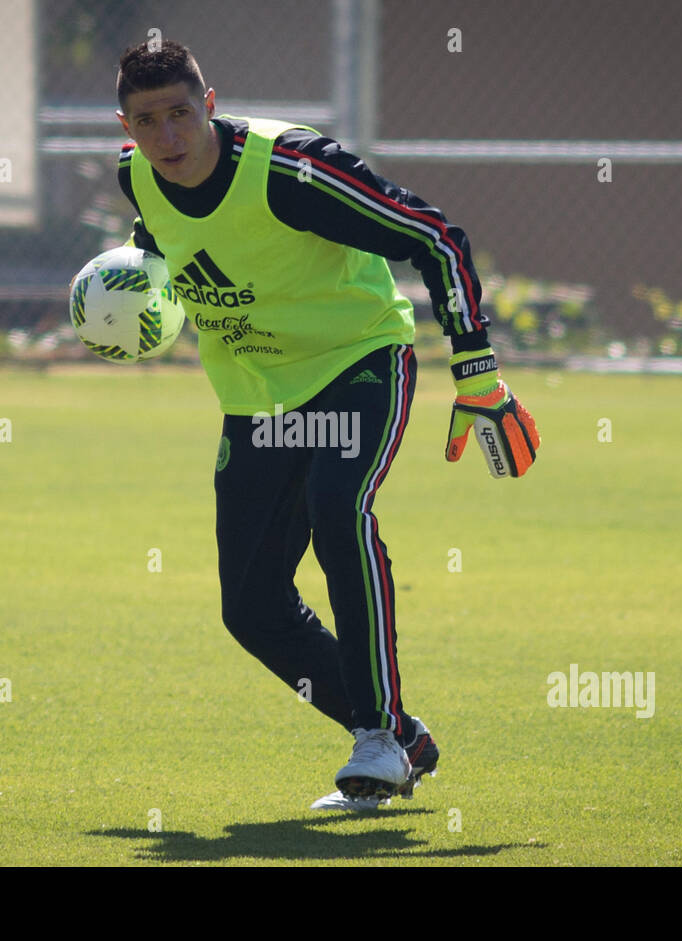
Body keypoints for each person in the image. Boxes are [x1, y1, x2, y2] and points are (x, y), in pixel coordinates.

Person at [113, 39, 539, 810]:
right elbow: (162, 248)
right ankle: (401, 736)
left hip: (357, 362)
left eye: (181, 114)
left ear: (209, 105)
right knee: (251, 608)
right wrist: (127, 297)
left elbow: (435, 237)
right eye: (148, 122)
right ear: (126, 128)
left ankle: (374, 740)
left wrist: (476, 368)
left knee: (339, 514)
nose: (168, 137)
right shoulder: (136, 177)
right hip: (256, 398)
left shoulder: (291, 171)